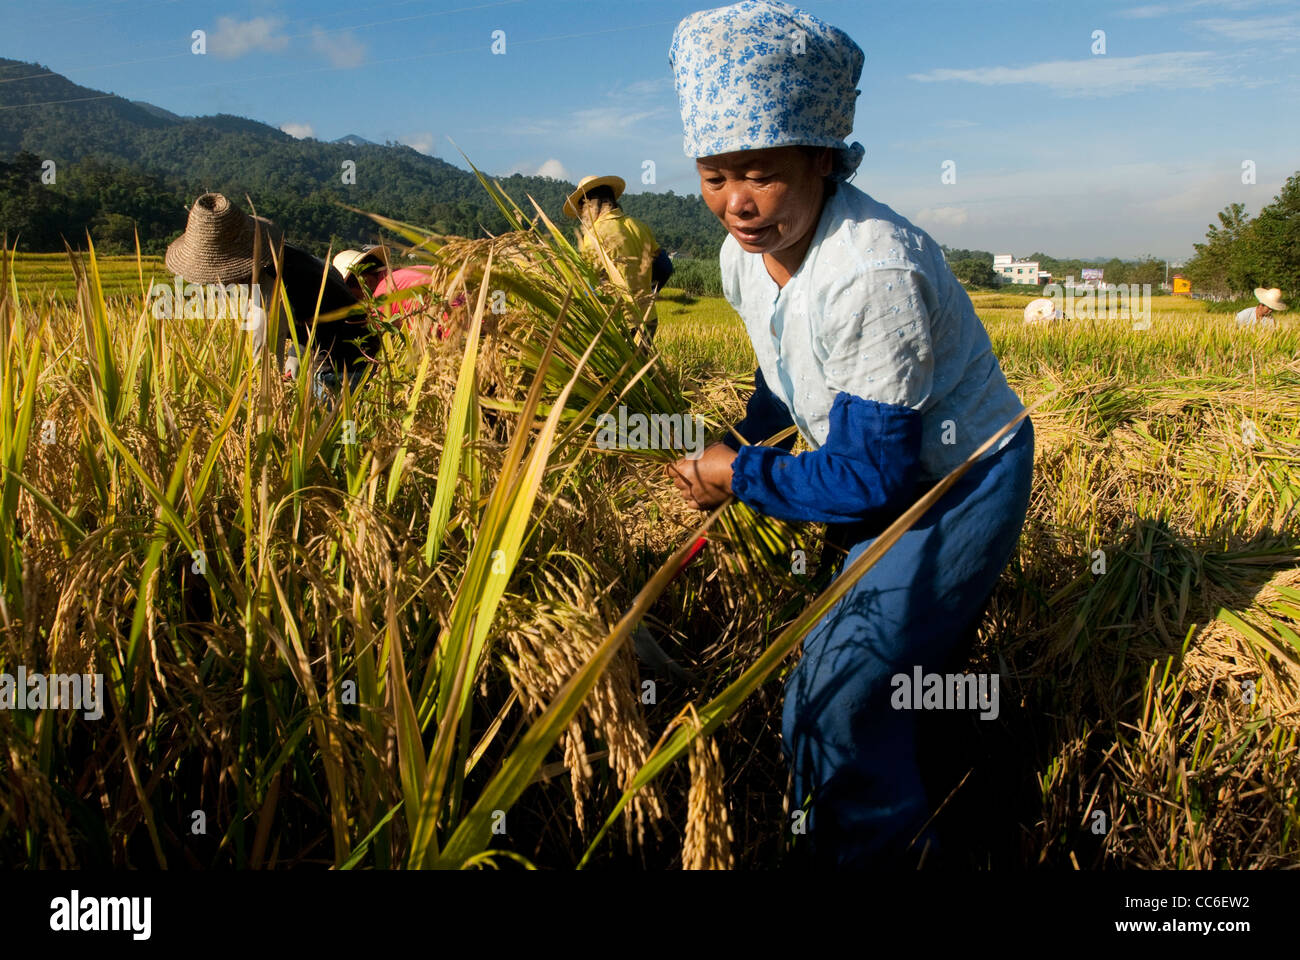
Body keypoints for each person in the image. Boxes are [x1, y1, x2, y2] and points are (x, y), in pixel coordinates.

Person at [665, 0, 1035, 868]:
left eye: (760, 173)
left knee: (832, 693)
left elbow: (871, 478)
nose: (737, 203)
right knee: (879, 678)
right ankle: (956, 801)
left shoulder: (871, 270)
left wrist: (743, 476)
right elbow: (784, 369)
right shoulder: (740, 255)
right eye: (715, 176)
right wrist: (738, 442)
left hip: (957, 479)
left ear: (822, 159)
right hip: (881, 464)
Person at [165, 193, 372, 395]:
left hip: (344, 366)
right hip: (342, 352)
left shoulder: (269, 286)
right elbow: (309, 323)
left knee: (323, 428)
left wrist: (250, 398)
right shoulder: (287, 256)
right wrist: (292, 367)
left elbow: (264, 358)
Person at [564, 175, 671, 346]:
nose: (582, 214)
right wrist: (645, 295)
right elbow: (665, 267)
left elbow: (590, 287)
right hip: (648, 319)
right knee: (640, 369)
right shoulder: (638, 226)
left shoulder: (593, 236)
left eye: (583, 207)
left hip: (618, 325)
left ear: (592, 204)